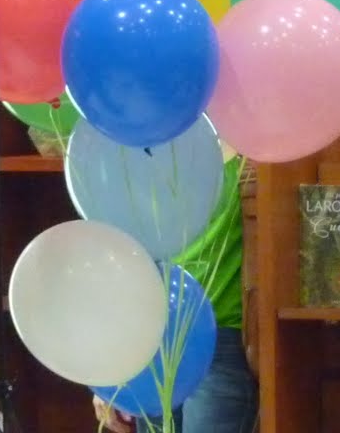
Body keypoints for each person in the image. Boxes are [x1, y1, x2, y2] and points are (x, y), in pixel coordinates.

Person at [93, 156, 259, 433]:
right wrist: (109, 376)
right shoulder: (142, 160)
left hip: (220, 339)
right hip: (150, 341)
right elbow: (120, 263)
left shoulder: (250, 160)